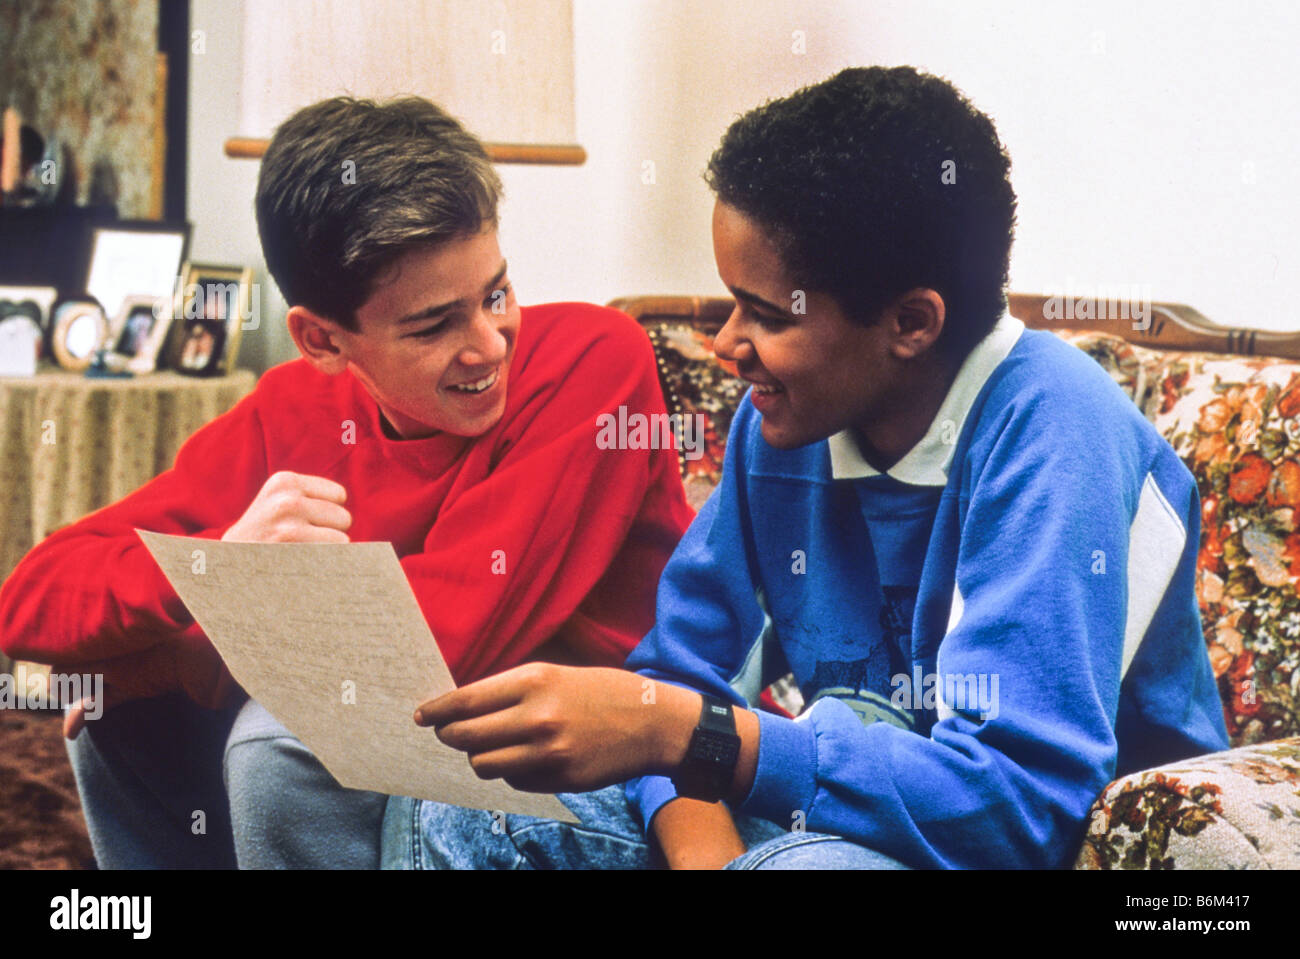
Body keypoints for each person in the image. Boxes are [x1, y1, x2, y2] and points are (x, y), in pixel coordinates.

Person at [381, 66, 1229, 870]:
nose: (724, 347)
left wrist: (692, 734)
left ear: (910, 322)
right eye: (726, 305)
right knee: (464, 809)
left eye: (761, 314)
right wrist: (702, 836)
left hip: (1034, 847)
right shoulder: (785, 423)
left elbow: (1015, 806)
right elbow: (681, 677)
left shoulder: (1054, 429)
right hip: (829, 820)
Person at [0, 96, 694, 868]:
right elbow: (30, 599)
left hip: (608, 768)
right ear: (321, 339)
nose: (489, 344)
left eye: (496, 293)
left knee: (279, 738)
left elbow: (436, 649)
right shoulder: (292, 408)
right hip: (415, 746)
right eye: (434, 326)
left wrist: (171, 658)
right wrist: (210, 566)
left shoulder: (594, 359)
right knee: (113, 722)